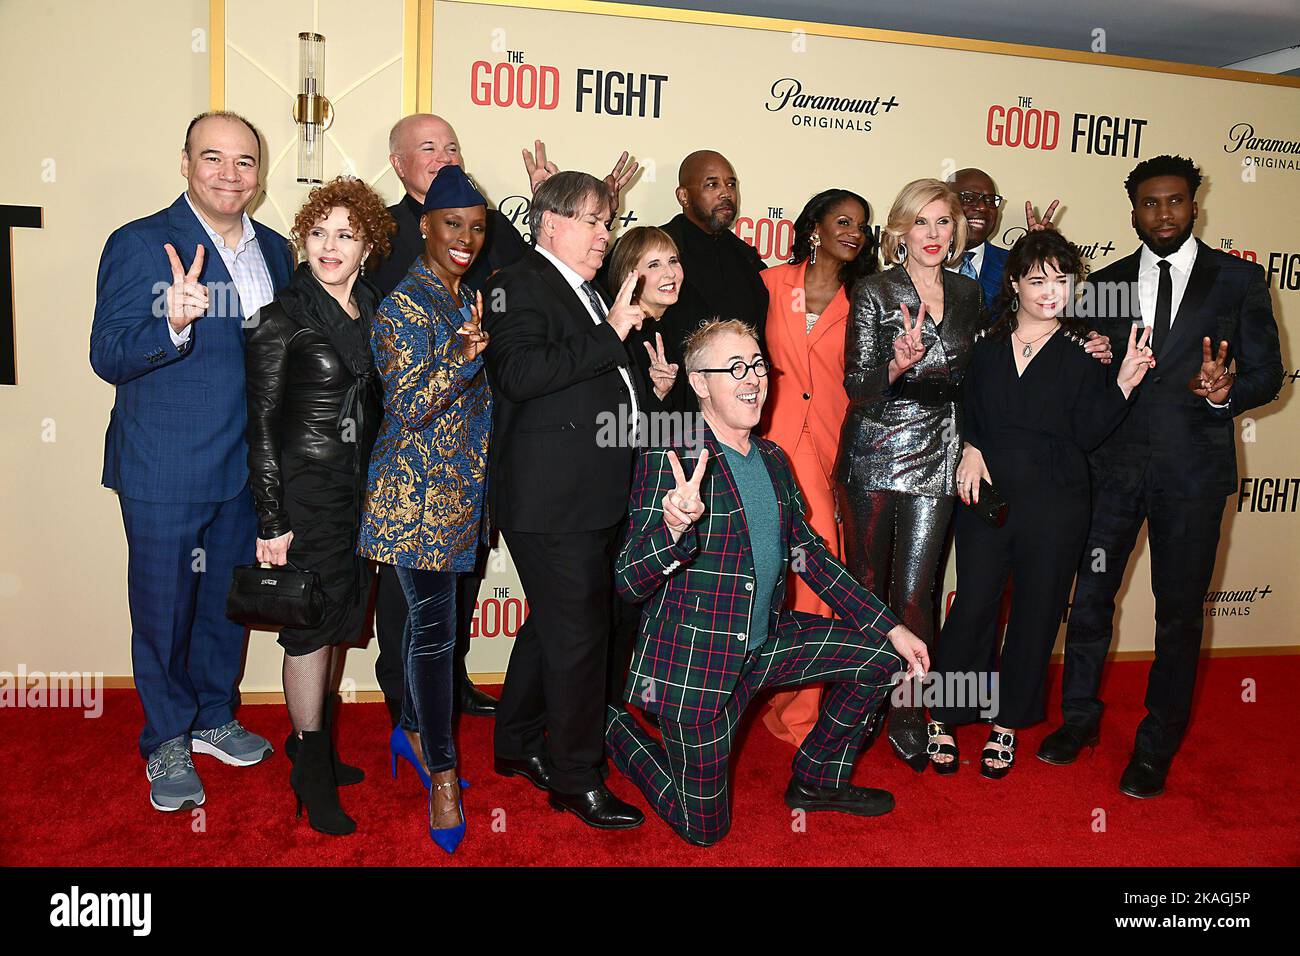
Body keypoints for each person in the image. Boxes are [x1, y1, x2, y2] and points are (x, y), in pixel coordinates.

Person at [605, 319, 929, 847]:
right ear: (699, 382)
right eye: (735, 368)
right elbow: (626, 580)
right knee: (704, 830)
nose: (753, 378)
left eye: (757, 365)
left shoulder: (775, 460)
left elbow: (812, 560)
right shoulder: (671, 457)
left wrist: (891, 628)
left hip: (766, 643)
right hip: (699, 663)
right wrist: (672, 529)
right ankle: (610, 726)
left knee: (883, 658)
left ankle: (817, 779)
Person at [370, 117, 638, 725]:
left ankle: (448, 696)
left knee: (452, 605)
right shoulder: (384, 242)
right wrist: (463, 359)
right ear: (397, 163)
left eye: (454, 145)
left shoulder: (483, 255)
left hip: (473, 466)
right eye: (428, 147)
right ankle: (408, 719)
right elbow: (420, 381)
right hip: (412, 470)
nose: (444, 156)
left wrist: (550, 202)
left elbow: (537, 271)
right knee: (409, 608)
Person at [1037, 155, 1284, 798]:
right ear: (1135, 212)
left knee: (1177, 614)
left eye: (1175, 201)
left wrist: (1226, 391)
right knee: (1089, 601)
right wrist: (1085, 356)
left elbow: (1266, 373)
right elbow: (1081, 375)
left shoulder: (1238, 279)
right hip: (1110, 472)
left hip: (1192, 476)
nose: (1164, 214)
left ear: (1194, 205)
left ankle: (1156, 743)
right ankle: (1080, 721)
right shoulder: (1107, 284)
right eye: (1150, 204)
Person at [90, 111, 290, 813]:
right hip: (162, 468)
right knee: (163, 608)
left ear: (259, 175)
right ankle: (167, 736)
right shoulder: (141, 244)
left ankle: (211, 714)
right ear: (185, 163)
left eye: (244, 162)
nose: (230, 175)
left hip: (244, 471)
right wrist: (170, 322)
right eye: (213, 159)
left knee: (222, 607)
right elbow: (107, 353)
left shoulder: (277, 250)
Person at [925, 230, 1154, 778]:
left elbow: (1087, 431)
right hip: (987, 491)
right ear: (1015, 283)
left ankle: (1006, 724)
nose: (1049, 292)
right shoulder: (984, 336)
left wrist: (1123, 382)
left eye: (1060, 280)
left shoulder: (1085, 347)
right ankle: (943, 715)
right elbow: (967, 405)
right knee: (974, 602)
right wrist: (971, 449)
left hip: (1058, 498)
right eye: (1037, 280)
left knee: (1037, 610)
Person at [482, 170, 648, 830]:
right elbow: (519, 375)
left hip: (592, 492)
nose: (606, 234)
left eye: (608, 222)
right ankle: (576, 778)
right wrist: (611, 331)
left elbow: (590, 378)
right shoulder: (515, 284)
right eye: (593, 221)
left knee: (558, 625)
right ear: (550, 223)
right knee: (580, 637)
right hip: (552, 500)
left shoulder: (582, 289)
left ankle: (517, 742)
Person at [245, 176, 394, 833]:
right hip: (305, 494)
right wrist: (272, 521)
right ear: (302, 240)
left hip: (356, 492)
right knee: (309, 629)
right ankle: (307, 761)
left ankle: (319, 745)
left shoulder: (369, 307)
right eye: (318, 232)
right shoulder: (281, 316)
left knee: (337, 616)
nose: (329, 246)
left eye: (346, 234)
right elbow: (263, 426)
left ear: (367, 247)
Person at [357, 164, 492, 853]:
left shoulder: (458, 296)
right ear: (424, 228)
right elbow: (408, 404)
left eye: (475, 226)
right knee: (436, 636)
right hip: (412, 501)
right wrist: (464, 359)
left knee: (422, 632)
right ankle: (442, 773)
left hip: (455, 500)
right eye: (451, 225)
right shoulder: (402, 304)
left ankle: (409, 732)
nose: (465, 237)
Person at [835, 178, 985, 772]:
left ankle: (908, 707)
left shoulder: (970, 294)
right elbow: (857, 385)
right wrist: (896, 364)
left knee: (916, 592)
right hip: (873, 446)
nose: (932, 235)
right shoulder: (873, 290)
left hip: (938, 449)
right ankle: (860, 702)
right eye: (920, 223)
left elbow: (985, 376)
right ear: (900, 231)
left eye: (943, 222)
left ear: (957, 231)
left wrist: (972, 443)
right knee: (868, 590)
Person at [758, 188, 878, 747]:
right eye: (843, 221)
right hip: (764, 445)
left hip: (830, 449)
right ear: (816, 227)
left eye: (862, 224)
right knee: (755, 573)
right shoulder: (770, 284)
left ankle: (799, 712)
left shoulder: (867, 300)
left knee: (819, 576)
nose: (854, 231)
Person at [601, 226, 684, 704]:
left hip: (649, 491)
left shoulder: (661, 329)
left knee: (631, 608)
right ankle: (603, 712)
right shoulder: (624, 330)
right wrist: (653, 395)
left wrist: (658, 395)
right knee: (613, 607)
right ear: (629, 275)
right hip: (620, 494)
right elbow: (616, 426)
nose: (669, 272)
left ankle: (615, 708)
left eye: (672, 261)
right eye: (653, 264)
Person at [644, 150, 768, 411]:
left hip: (739, 414)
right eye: (712, 184)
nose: (726, 193)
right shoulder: (652, 249)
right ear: (683, 196)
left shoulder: (746, 259)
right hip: (670, 412)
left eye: (731, 184)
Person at [950, 167, 1062, 311]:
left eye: (990, 200)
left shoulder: (1014, 264)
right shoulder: (920, 263)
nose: (983, 208)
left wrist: (1040, 255)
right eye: (969, 198)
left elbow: (1057, 313)